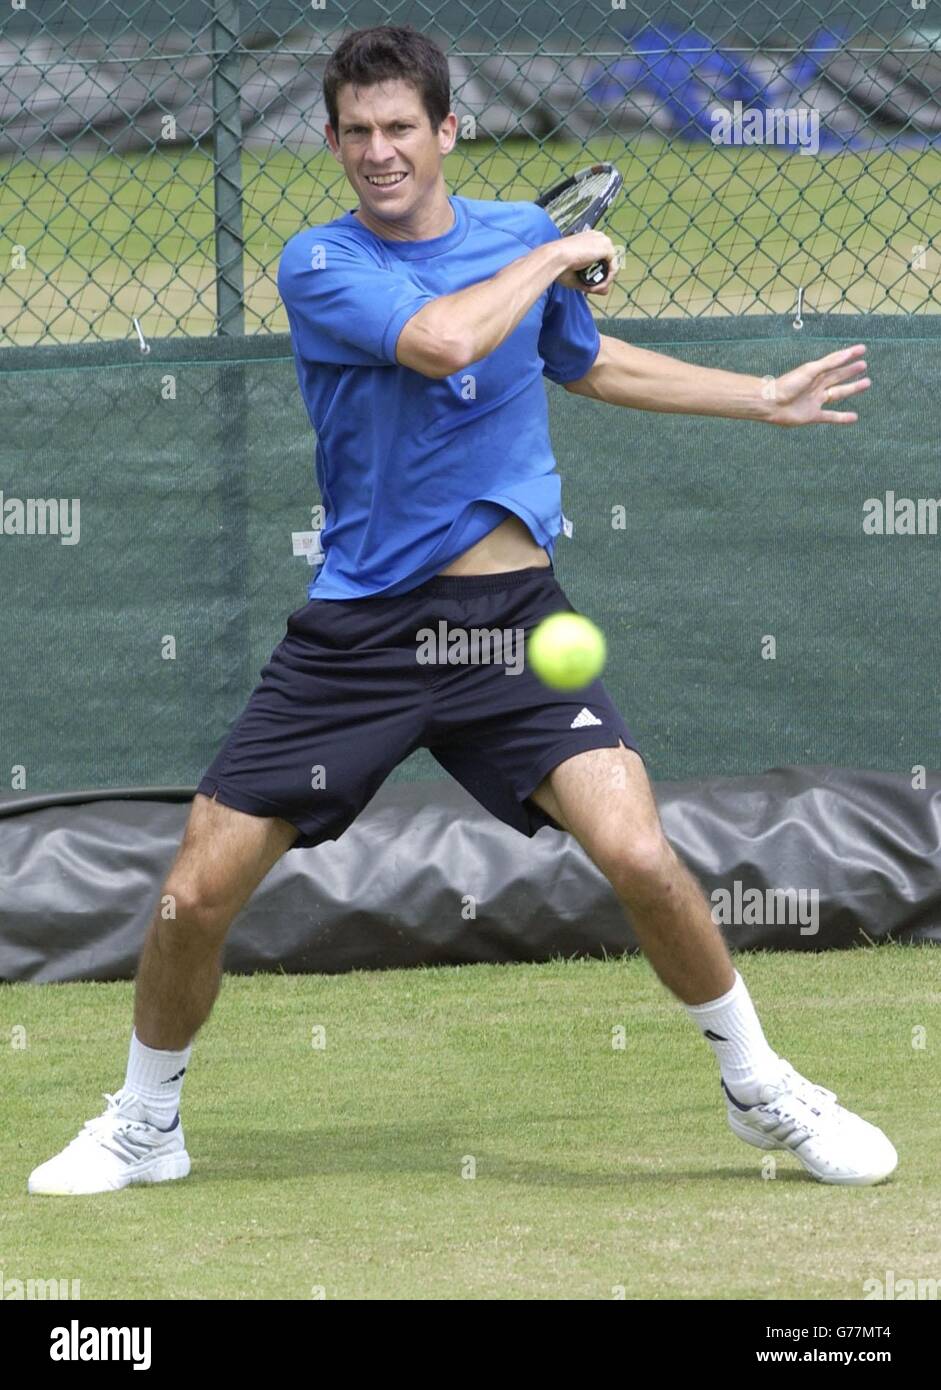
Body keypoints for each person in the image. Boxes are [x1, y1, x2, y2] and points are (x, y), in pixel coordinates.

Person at [29, 24, 895, 1195]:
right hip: (361, 637)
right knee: (193, 895)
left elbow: (581, 363)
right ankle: (145, 1122)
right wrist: (549, 252)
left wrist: (759, 396)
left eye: (399, 128)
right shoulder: (319, 262)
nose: (377, 152)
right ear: (332, 141)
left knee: (639, 851)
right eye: (354, 133)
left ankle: (761, 1088)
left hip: (510, 627)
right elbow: (441, 342)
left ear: (447, 131)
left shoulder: (513, 240)